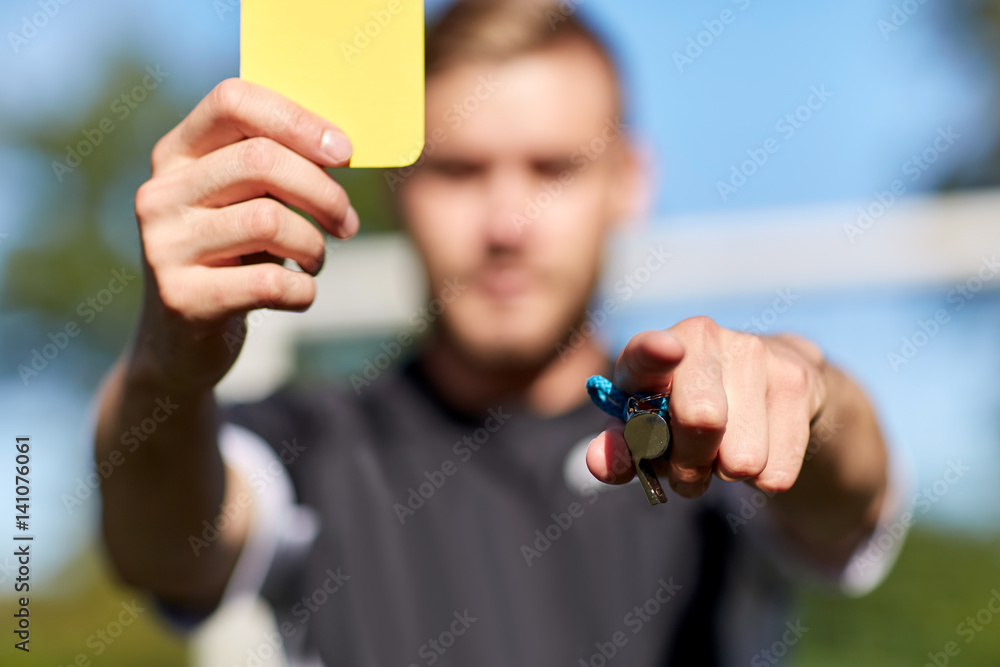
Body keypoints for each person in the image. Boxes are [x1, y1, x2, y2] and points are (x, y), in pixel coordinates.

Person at [94, 1, 903, 664]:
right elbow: (160, 544)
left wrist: (807, 390)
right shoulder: (311, 443)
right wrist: (167, 364)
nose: (506, 224)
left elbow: (849, 491)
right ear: (397, 182)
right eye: (459, 170)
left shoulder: (709, 432)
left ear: (630, 180)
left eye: (554, 168)